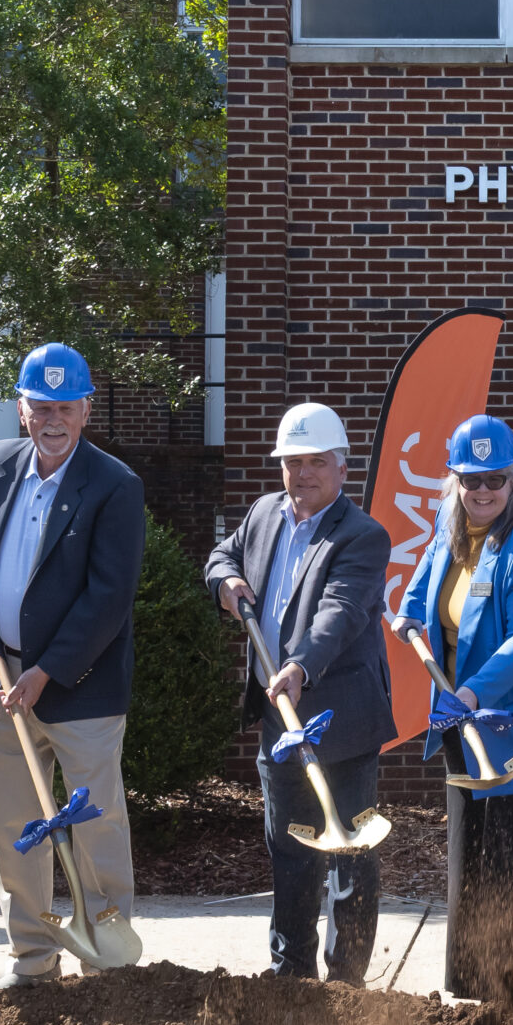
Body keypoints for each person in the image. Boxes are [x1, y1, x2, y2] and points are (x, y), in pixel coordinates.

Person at [0, 343, 148, 992]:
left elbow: (108, 597)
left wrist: (49, 671)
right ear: (22, 411)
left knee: (95, 825)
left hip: (79, 685)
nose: (53, 418)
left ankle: (103, 959)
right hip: (4, 679)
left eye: (66, 406)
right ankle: (31, 958)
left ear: (86, 410)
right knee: (17, 827)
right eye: (41, 406)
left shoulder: (114, 484)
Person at [391, 415, 513, 999]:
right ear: (454, 479)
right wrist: (408, 610)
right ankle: (475, 982)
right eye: (471, 479)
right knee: (471, 848)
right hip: (466, 715)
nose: (483, 491)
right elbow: (430, 570)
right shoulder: (449, 519)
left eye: (495, 480)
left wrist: (473, 692)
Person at [205, 401, 395, 982]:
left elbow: (339, 613)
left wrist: (299, 667)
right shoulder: (265, 513)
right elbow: (222, 555)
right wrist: (225, 581)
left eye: (316, 461)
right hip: (279, 722)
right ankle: (290, 972)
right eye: (293, 461)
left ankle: (346, 981)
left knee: (349, 855)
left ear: (342, 468)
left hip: (342, 717)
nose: (303, 473)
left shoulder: (362, 536)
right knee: (289, 849)